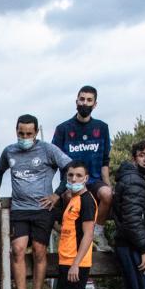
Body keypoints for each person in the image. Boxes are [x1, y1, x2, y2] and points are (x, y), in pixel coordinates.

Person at [0, 115, 69, 289]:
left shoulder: (48, 149)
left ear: (36, 133)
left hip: (42, 209)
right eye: (21, 133)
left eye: (29, 133)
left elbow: (70, 167)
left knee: (39, 251)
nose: (25, 137)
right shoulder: (9, 151)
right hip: (19, 208)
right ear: (16, 131)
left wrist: (57, 194)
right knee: (17, 249)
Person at [51, 86, 112, 224]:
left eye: (89, 100)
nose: (85, 103)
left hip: (94, 180)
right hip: (71, 182)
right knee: (68, 197)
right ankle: (76, 234)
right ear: (76, 101)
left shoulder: (102, 127)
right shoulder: (63, 129)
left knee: (107, 194)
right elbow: (53, 160)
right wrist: (55, 191)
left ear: (94, 104)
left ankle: (98, 231)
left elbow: (105, 161)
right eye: (82, 99)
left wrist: (109, 185)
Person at [112, 142, 145, 289]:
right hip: (132, 245)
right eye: (142, 155)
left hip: (129, 242)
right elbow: (132, 219)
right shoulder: (134, 181)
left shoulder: (136, 178)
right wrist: (144, 250)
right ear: (134, 158)